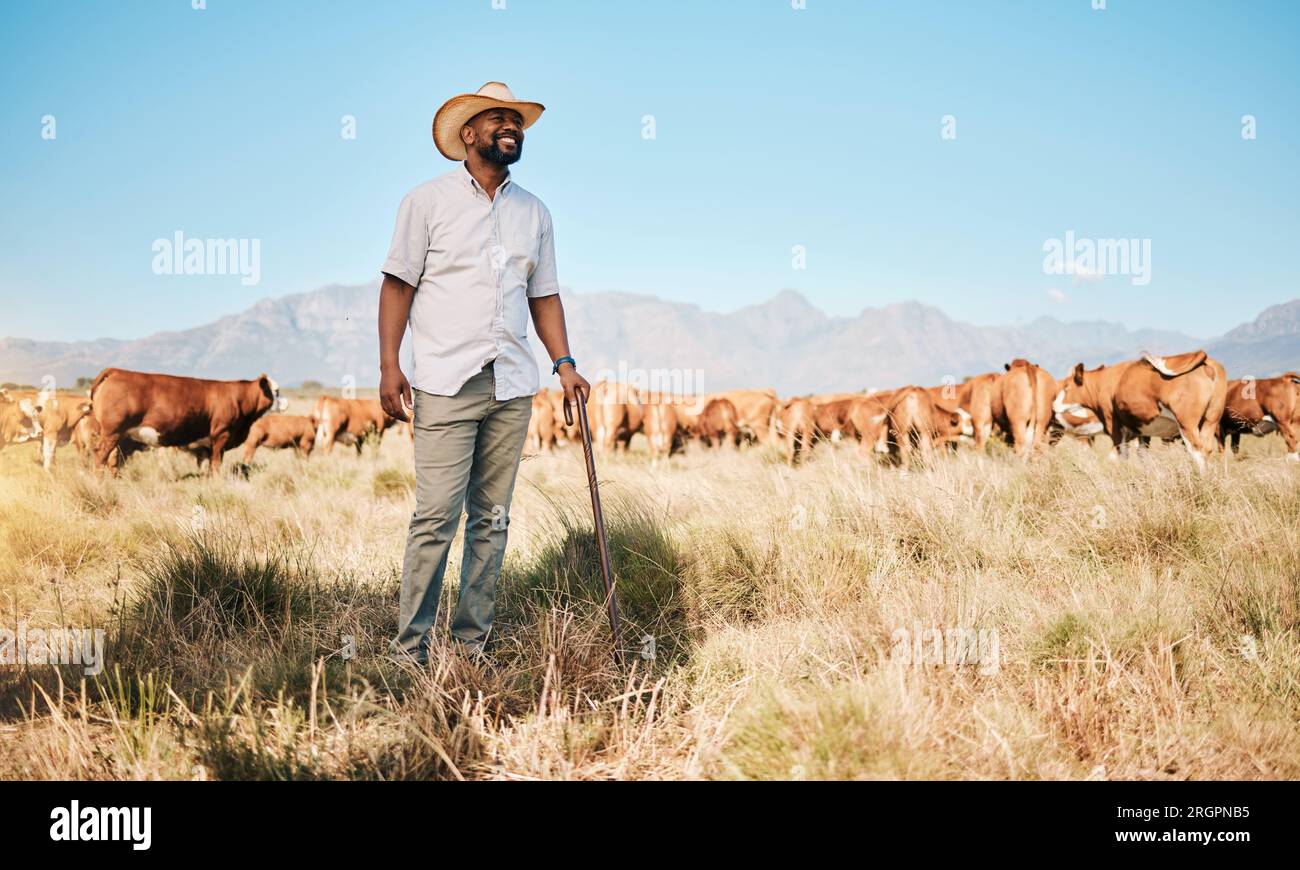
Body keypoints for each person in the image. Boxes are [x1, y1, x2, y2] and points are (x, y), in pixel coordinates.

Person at [377, 82, 589, 663]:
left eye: (515, 120)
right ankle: (410, 650)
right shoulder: (426, 202)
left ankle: (471, 644)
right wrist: (389, 365)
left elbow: (544, 295)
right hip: (445, 379)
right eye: (497, 119)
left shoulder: (534, 212)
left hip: (512, 383)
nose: (510, 127)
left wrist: (564, 363)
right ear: (467, 134)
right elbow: (398, 284)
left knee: (491, 520)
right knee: (436, 516)